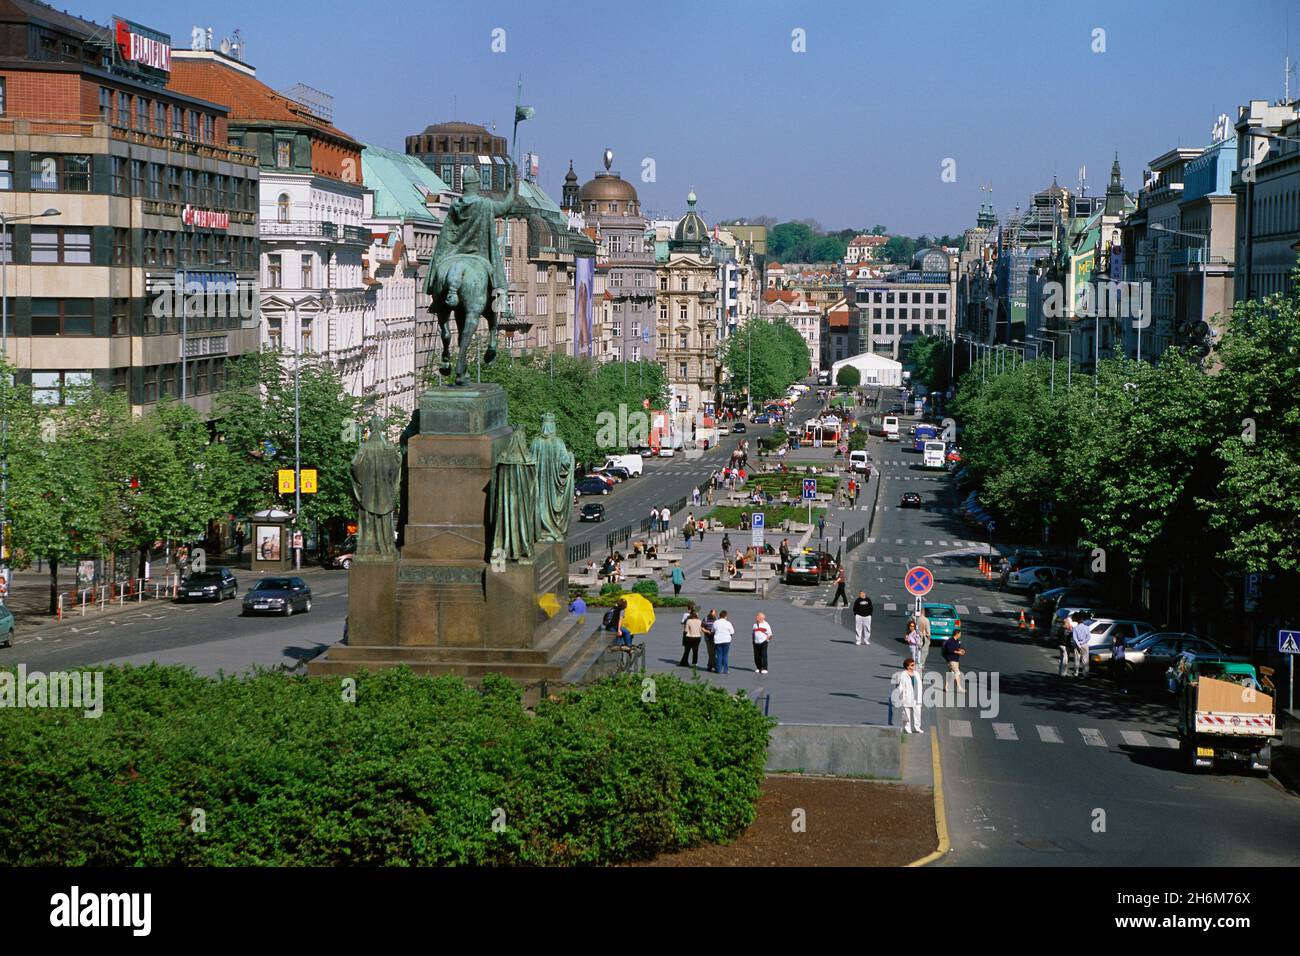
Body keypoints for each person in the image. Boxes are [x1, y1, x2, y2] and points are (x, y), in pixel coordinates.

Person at [893, 658, 925, 734]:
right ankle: (907, 728)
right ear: (907, 666)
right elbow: (901, 686)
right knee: (906, 713)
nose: (914, 666)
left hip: (916, 696)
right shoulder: (903, 675)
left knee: (918, 712)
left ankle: (917, 727)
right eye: (912, 665)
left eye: (914, 664)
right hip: (907, 696)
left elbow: (920, 684)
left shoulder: (916, 674)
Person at [943, 629, 966, 696]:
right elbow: (950, 650)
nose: (960, 635)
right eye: (960, 634)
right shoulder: (950, 641)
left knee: (951, 674)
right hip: (951, 660)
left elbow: (957, 648)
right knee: (957, 672)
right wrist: (958, 652)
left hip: (956, 660)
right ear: (957, 634)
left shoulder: (957, 641)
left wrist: (961, 650)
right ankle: (959, 688)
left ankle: (945, 687)